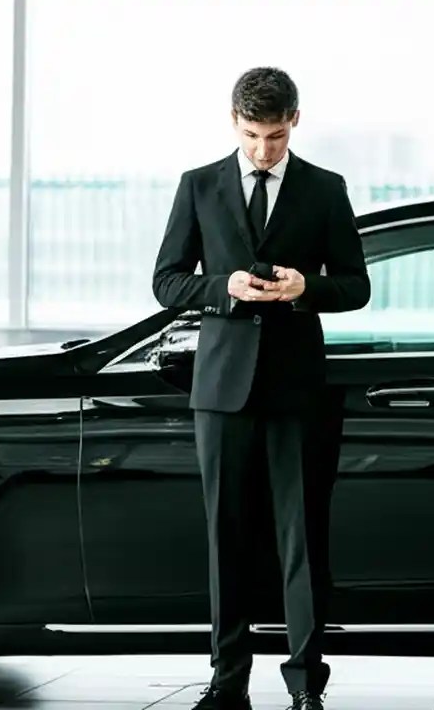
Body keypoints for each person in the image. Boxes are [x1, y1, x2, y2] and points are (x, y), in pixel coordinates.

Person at [150, 67, 370, 710]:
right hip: (221, 390)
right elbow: (166, 281)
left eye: (274, 136)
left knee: (302, 538)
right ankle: (227, 682)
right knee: (226, 539)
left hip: (297, 387)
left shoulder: (326, 189)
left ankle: (306, 684)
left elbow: (356, 285)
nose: (263, 150)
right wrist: (223, 289)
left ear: (294, 121)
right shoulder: (199, 186)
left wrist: (309, 289)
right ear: (233, 121)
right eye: (252, 135)